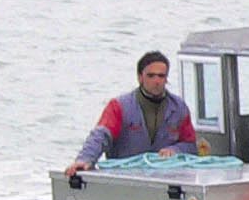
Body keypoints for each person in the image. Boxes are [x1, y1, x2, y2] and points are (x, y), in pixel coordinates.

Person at [65, 51, 198, 175]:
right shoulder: (119, 106)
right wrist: (85, 159)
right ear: (140, 77)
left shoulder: (179, 107)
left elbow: (191, 145)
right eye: (151, 76)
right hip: (125, 178)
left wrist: (176, 150)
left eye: (161, 76)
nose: (156, 81)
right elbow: (100, 136)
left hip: (166, 178)